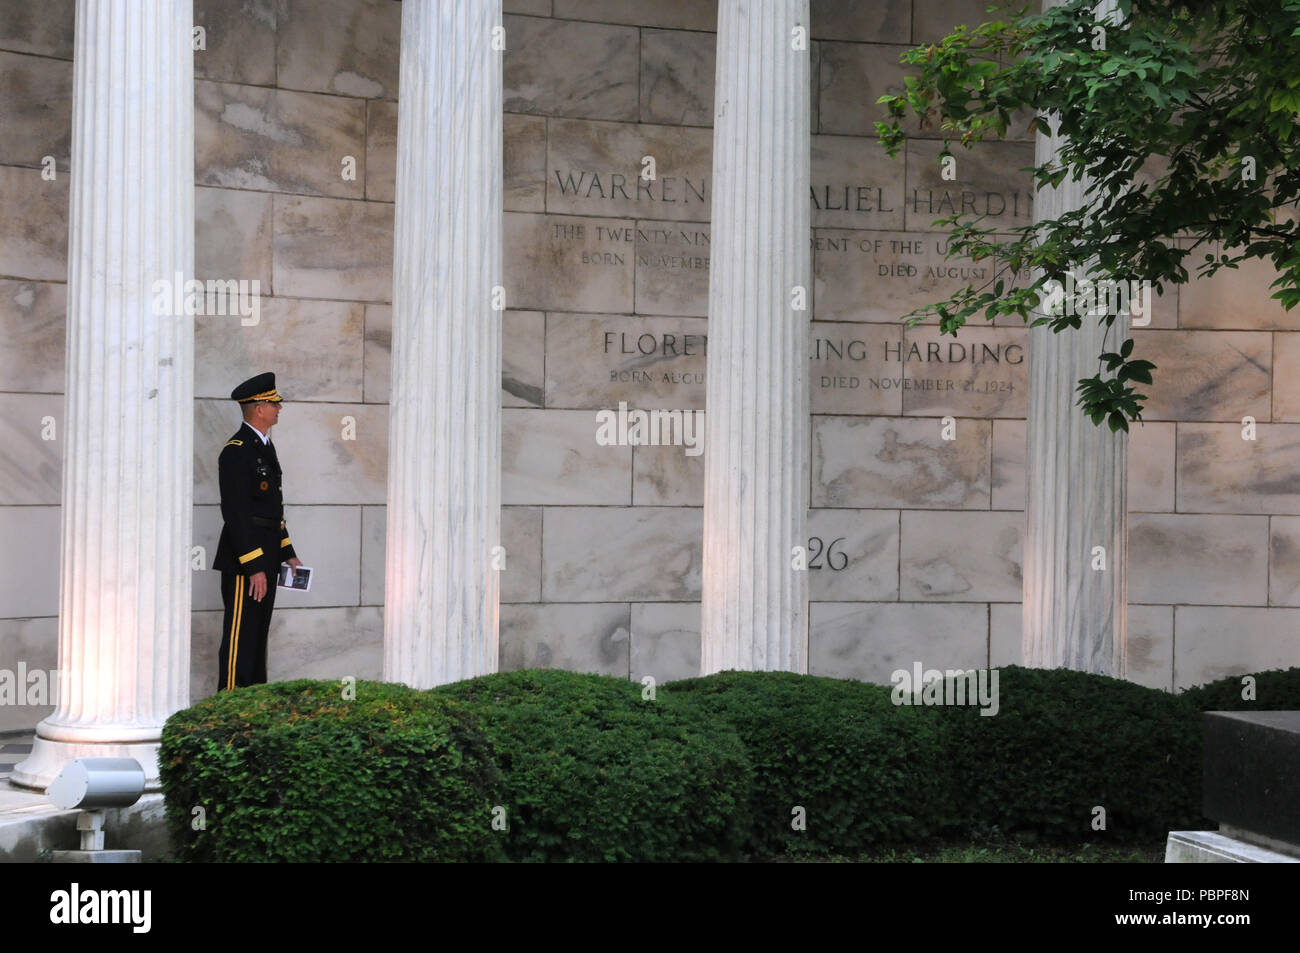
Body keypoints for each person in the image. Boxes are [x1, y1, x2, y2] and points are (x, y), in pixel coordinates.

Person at [213, 372, 302, 691]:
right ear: (258, 407)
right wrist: (253, 567)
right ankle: (230, 705)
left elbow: (272, 511)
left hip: (267, 554)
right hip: (244, 559)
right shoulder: (237, 450)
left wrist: (288, 552)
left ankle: (254, 703)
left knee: (258, 631)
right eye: (273, 403)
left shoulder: (264, 447)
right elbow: (236, 514)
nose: (279, 408)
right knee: (240, 634)